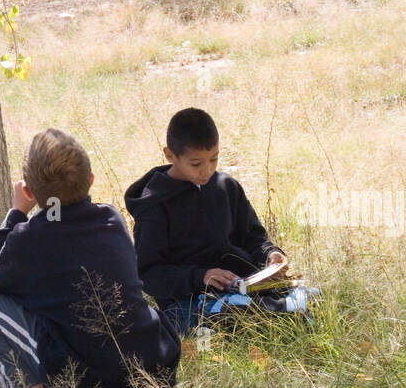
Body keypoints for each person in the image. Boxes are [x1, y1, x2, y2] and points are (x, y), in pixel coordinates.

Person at [0, 128, 181, 388]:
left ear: (28, 191)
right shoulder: (112, 219)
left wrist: (16, 213)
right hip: (154, 366)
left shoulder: (29, 239)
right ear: (91, 180)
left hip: (85, 385)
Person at [125, 107, 314, 334]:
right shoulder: (154, 207)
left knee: (261, 304)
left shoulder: (226, 186)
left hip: (244, 286)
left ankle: (282, 308)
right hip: (192, 300)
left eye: (214, 159)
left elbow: (253, 237)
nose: (207, 170)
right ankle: (285, 311)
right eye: (196, 164)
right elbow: (150, 274)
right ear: (169, 155)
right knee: (217, 315)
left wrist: (270, 254)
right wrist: (201, 277)